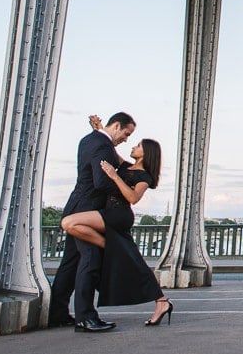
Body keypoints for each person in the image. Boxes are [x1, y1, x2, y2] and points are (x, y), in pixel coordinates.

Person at [60, 117, 173, 327]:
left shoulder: (144, 176)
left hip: (118, 215)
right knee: (135, 262)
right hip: (108, 212)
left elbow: (132, 198)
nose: (132, 144)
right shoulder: (127, 166)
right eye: (129, 137)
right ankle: (162, 301)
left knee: (69, 223)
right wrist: (100, 129)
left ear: (146, 153)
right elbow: (110, 149)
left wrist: (114, 176)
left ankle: (108, 246)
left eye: (137, 144)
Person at [49, 112, 136, 332]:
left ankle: (57, 313)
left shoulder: (89, 140)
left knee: (70, 263)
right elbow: (101, 182)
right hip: (87, 211)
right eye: (126, 133)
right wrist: (124, 194)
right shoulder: (103, 146)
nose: (126, 139)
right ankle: (85, 317)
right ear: (116, 125)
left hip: (75, 206)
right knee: (90, 261)